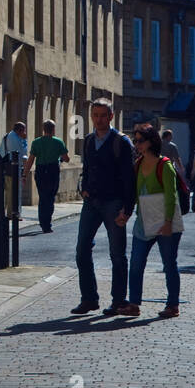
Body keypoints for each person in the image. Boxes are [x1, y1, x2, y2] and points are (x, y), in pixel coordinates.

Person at [71, 98, 136, 316]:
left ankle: (119, 300)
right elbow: (87, 169)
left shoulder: (121, 142)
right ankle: (89, 299)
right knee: (82, 251)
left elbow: (129, 178)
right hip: (91, 202)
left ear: (111, 116)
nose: (98, 120)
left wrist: (127, 209)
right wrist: (83, 188)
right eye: (95, 115)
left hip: (114, 203)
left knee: (117, 254)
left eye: (102, 116)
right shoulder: (89, 140)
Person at [117, 124, 184, 319]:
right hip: (144, 220)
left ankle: (172, 305)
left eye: (140, 140)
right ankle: (134, 304)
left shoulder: (165, 165)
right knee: (136, 263)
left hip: (165, 221)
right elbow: (133, 193)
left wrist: (168, 222)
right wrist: (125, 213)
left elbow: (171, 196)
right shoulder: (137, 164)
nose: (137, 144)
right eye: (135, 140)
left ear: (151, 142)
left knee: (169, 264)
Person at [23, 119, 69, 233]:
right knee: (50, 197)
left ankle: (43, 222)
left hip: (40, 170)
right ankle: (47, 223)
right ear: (53, 129)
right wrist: (60, 157)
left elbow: (30, 160)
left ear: (43, 129)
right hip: (53, 170)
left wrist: (24, 174)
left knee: (42, 196)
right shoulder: (58, 142)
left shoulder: (36, 142)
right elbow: (66, 158)